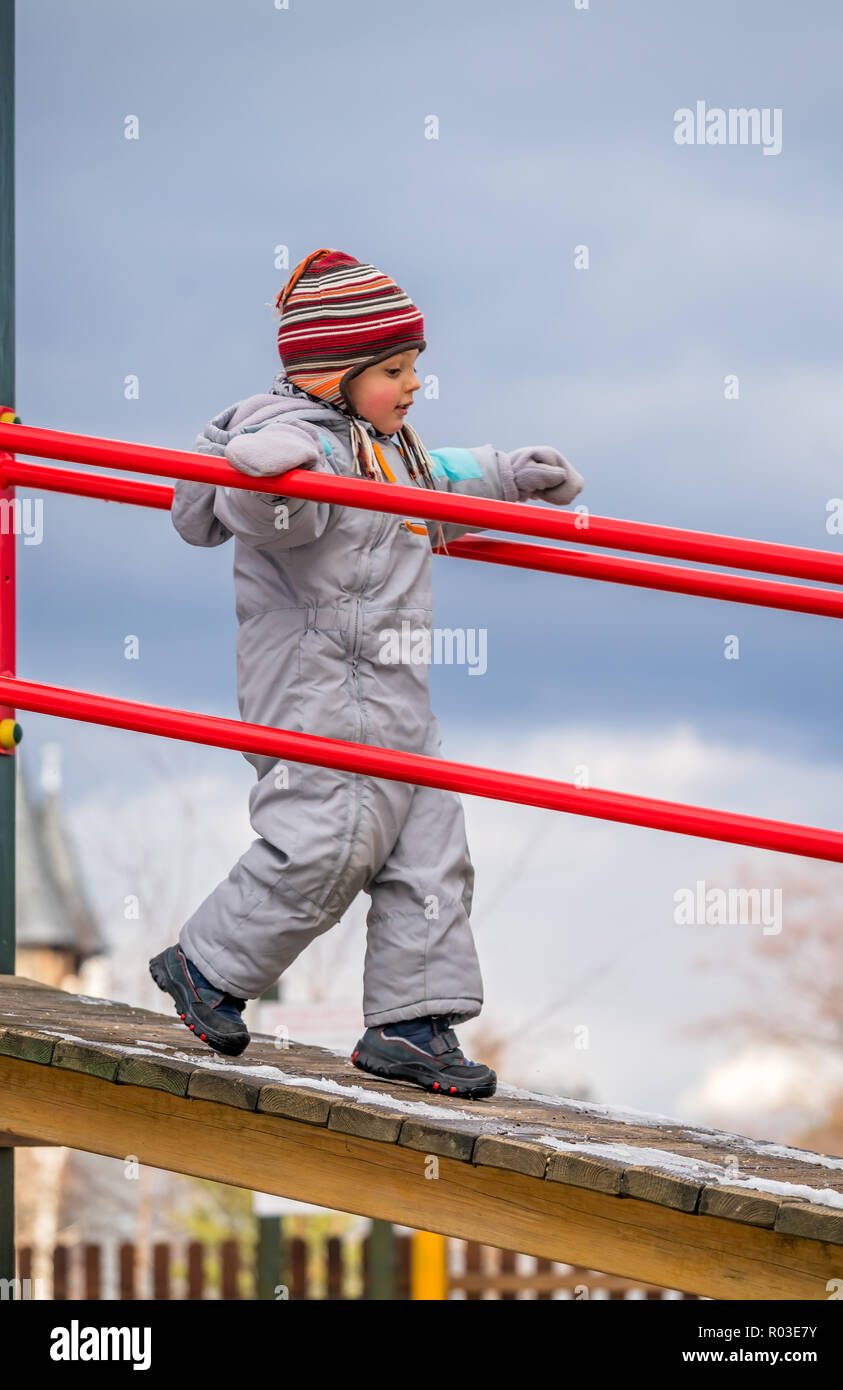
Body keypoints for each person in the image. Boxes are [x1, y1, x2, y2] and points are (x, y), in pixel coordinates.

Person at [150, 247, 583, 1099]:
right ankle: (206, 966)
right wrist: (269, 470)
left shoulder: (389, 450)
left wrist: (507, 477)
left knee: (430, 852)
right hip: (317, 684)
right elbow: (259, 510)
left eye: (413, 366)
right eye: (392, 369)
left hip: (392, 689)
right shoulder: (299, 445)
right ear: (328, 376)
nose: (412, 384)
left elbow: (437, 491)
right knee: (330, 841)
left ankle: (412, 1024)